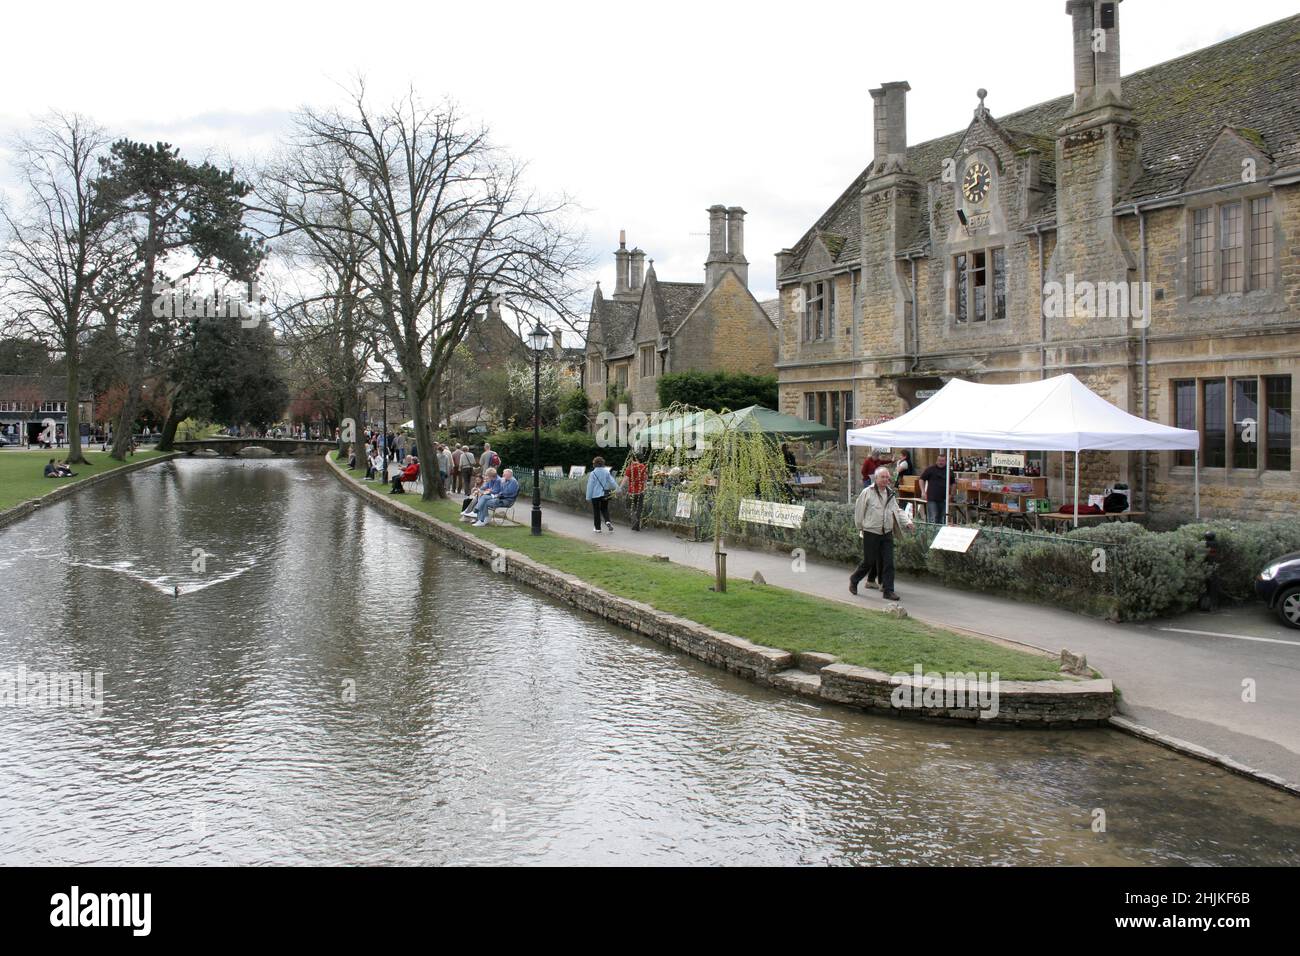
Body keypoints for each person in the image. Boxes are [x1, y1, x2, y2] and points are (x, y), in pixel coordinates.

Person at [849, 465, 914, 602]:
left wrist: (907, 521)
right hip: (871, 532)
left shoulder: (890, 493)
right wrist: (861, 528)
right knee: (869, 561)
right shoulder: (867, 492)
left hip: (886, 533)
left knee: (889, 562)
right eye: (882, 477)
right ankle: (854, 580)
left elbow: (897, 511)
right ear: (876, 478)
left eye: (887, 477)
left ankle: (888, 590)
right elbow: (859, 511)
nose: (885, 480)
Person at [919, 454, 955, 524]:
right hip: (932, 498)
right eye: (939, 460)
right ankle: (932, 534)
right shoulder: (930, 469)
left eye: (942, 461)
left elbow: (953, 483)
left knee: (943, 519)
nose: (940, 462)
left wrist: (952, 494)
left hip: (944, 499)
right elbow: (921, 479)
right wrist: (923, 492)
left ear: (946, 462)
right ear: (936, 461)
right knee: (933, 518)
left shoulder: (949, 471)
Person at [585, 456, 618, 533]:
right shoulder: (606, 472)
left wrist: (588, 497)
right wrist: (618, 489)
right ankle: (607, 521)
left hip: (595, 495)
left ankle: (598, 528)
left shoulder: (593, 473)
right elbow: (612, 482)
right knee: (604, 509)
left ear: (594, 464)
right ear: (602, 463)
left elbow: (590, 486)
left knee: (596, 511)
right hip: (604, 494)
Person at [620, 453, 648, 531]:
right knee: (639, 508)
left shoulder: (630, 468)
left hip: (631, 492)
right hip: (640, 491)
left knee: (628, 507)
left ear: (634, 459)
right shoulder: (643, 467)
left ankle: (634, 520)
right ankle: (637, 525)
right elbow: (645, 478)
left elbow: (625, 479)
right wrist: (645, 487)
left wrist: (620, 488)